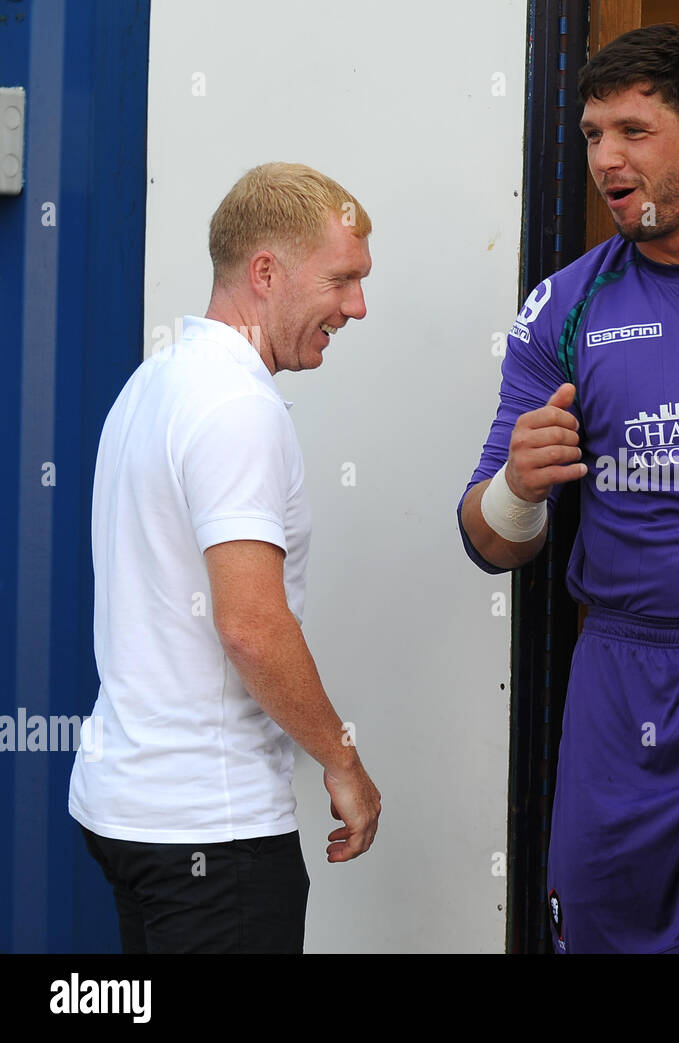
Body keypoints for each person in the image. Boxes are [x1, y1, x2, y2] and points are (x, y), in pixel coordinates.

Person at [458, 24, 679, 953]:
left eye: (632, 131)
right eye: (590, 136)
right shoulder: (565, 305)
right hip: (623, 681)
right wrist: (518, 488)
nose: (605, 159)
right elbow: (488, 540)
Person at [68, 162, 382, 953]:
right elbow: (249, 624)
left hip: (133, 813)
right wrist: (343, 763)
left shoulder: (153, 384)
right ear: (266, 272)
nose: (357, 306)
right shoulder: (237, 405)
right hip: (210, 833)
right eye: (342, 280)